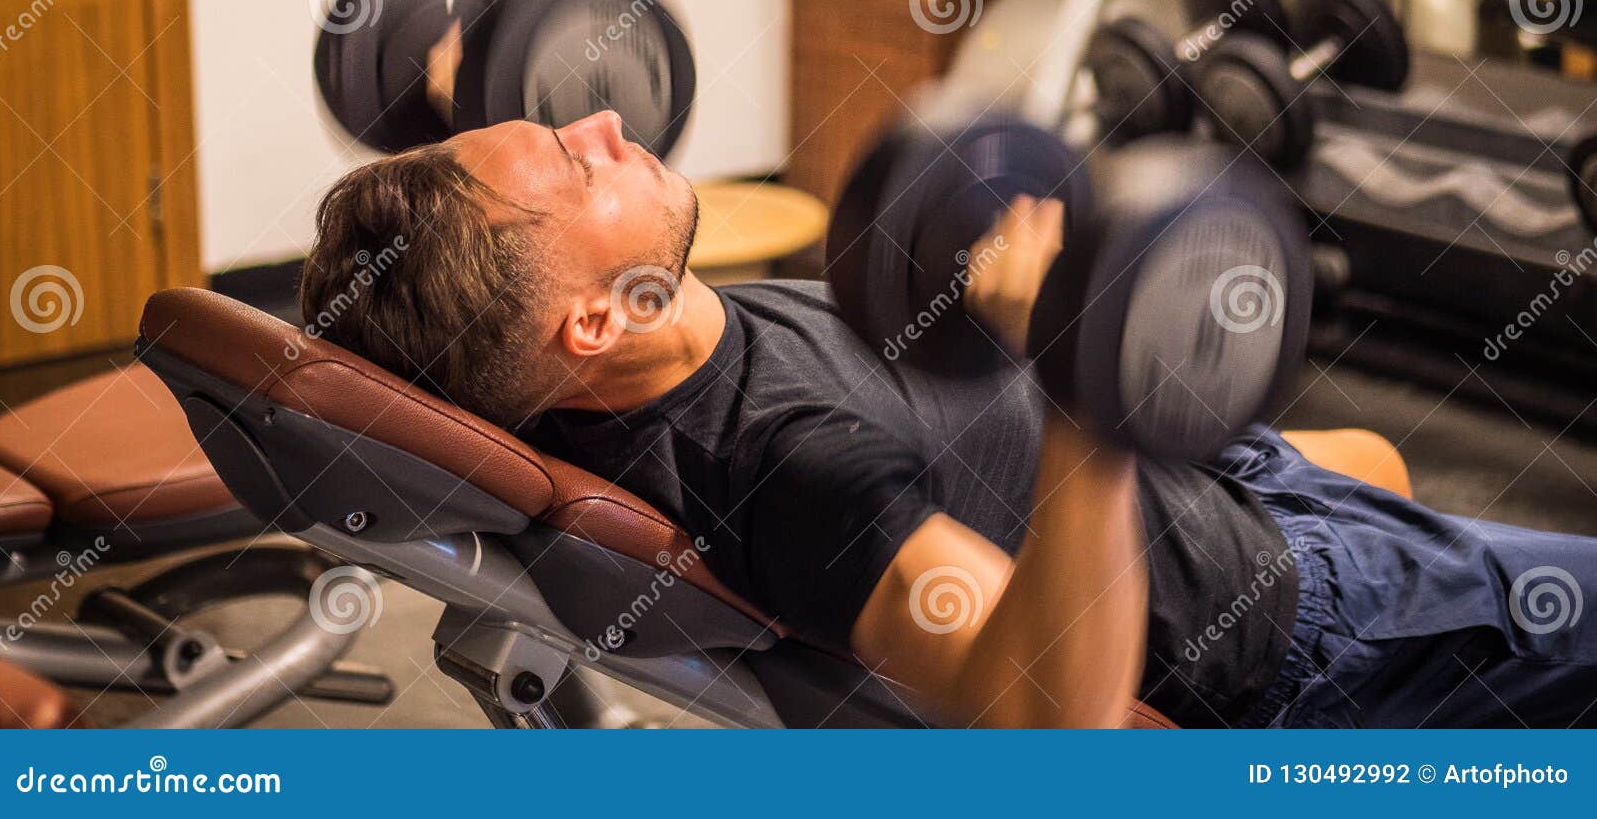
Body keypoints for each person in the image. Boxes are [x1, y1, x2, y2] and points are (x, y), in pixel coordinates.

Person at [300, 111, 1597, 728]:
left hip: (1235, 495)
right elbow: (1044, 730)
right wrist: (1087, 385)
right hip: (1300, 625)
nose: (605, 118)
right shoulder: (791, 466)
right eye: (575, 159)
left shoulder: (643, 353)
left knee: (1376, 451)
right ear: (592, 324)